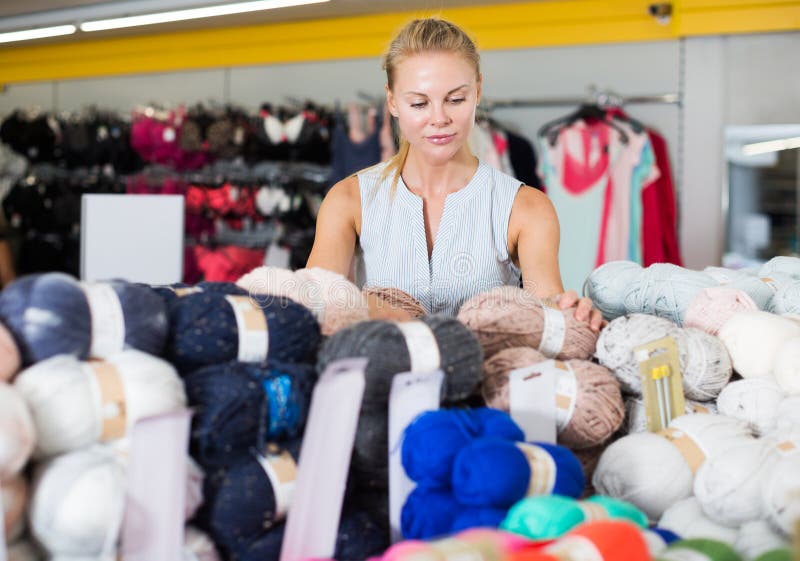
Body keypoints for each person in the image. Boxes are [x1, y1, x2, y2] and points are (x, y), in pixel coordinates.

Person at [306, 17, 602, 331]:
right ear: (392, 101)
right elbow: (314, 312)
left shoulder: (527, 207)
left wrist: (573, 318)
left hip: (489, 378)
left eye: (456, 99)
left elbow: (546, 324)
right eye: (419, 103)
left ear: (478, 91)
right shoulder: (348, 201)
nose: (439, 118)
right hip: (381, 376)